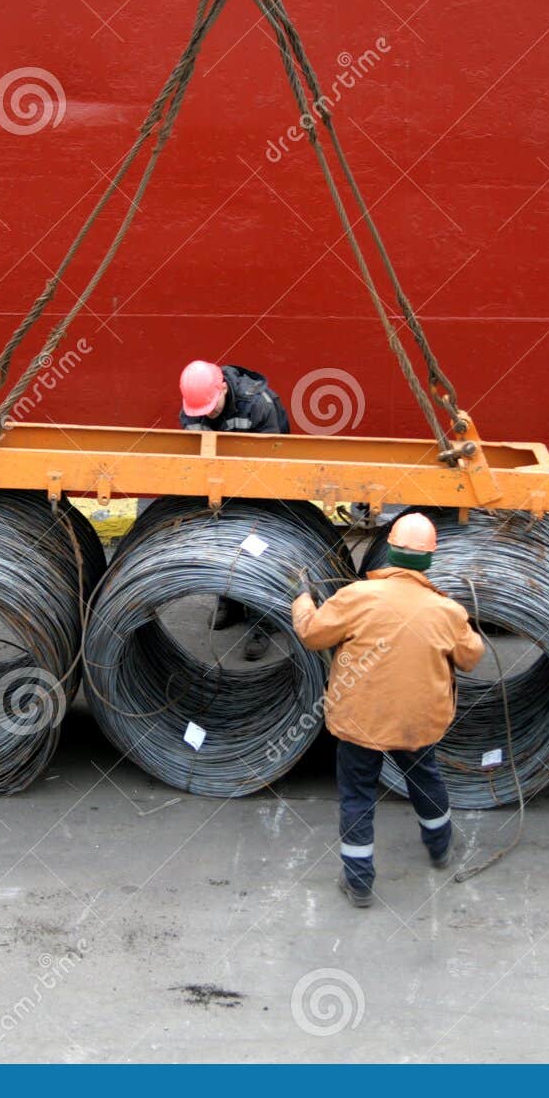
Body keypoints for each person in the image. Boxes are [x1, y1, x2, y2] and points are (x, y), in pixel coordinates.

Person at [290, 512, 485, 908]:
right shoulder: (445, 611)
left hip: (360, 719)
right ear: (428, 560)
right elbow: (471, 658)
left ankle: (359, 882)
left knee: (358, 795)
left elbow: (311, 635)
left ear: (390, 551)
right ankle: (439, 848)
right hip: (417, 721)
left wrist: (303, 600)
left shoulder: (356, 597)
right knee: (425, 779)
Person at [178, 360, 289, 660]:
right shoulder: (194, 408)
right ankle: (229, 601)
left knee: (259, 549)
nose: (208, 414)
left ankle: (264, 621)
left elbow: (271, 463)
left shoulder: (259, 405)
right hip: (221, 487)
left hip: (261, 488)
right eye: (201, 411)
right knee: (223, 543)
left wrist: (248, 506)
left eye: (212, 407)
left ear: (224, 388)